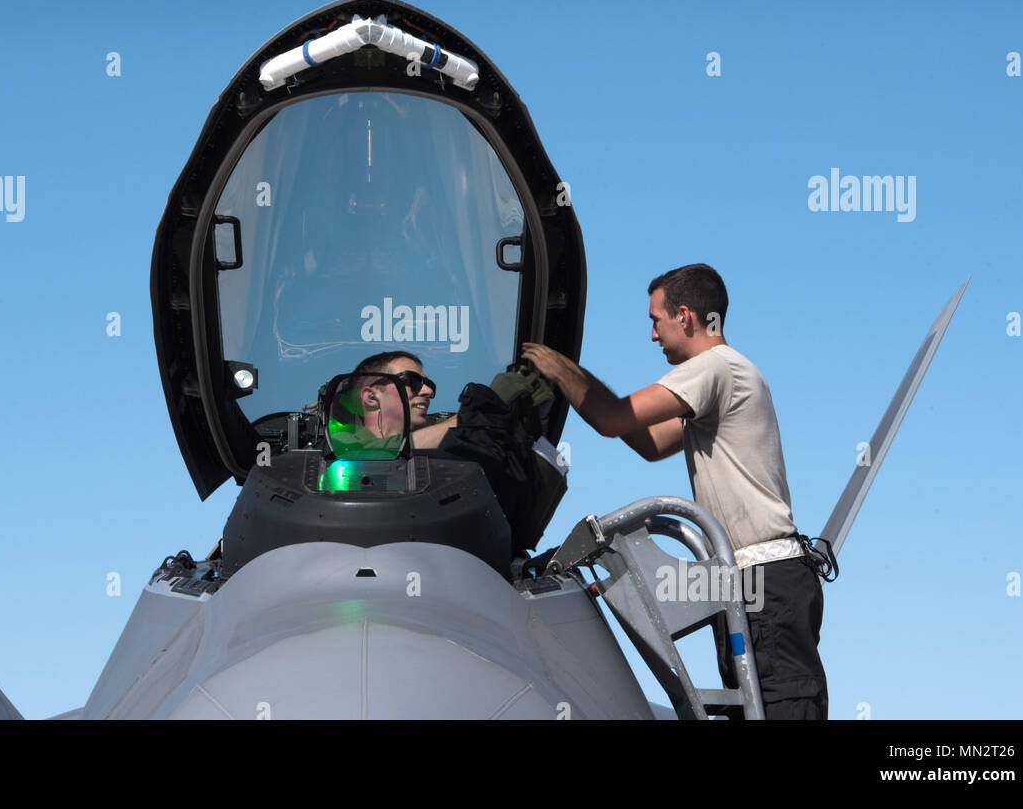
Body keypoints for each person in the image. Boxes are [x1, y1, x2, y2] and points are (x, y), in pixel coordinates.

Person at [520, 263, 829, 719]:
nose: (652, 334)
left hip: (765, 577)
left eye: (655, 320)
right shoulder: (725, 378)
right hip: (747, 580)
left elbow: (613, 419)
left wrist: (560, 368)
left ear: (684, 316)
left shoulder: (714, 367)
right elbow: (648, 442)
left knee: (784, 710)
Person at [350, 351, 458, 450]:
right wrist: (460, 423)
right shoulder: (342, 446)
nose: (428, 391)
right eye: (412, 381)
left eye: (430, 385)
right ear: (371, 396)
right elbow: (373, 451)